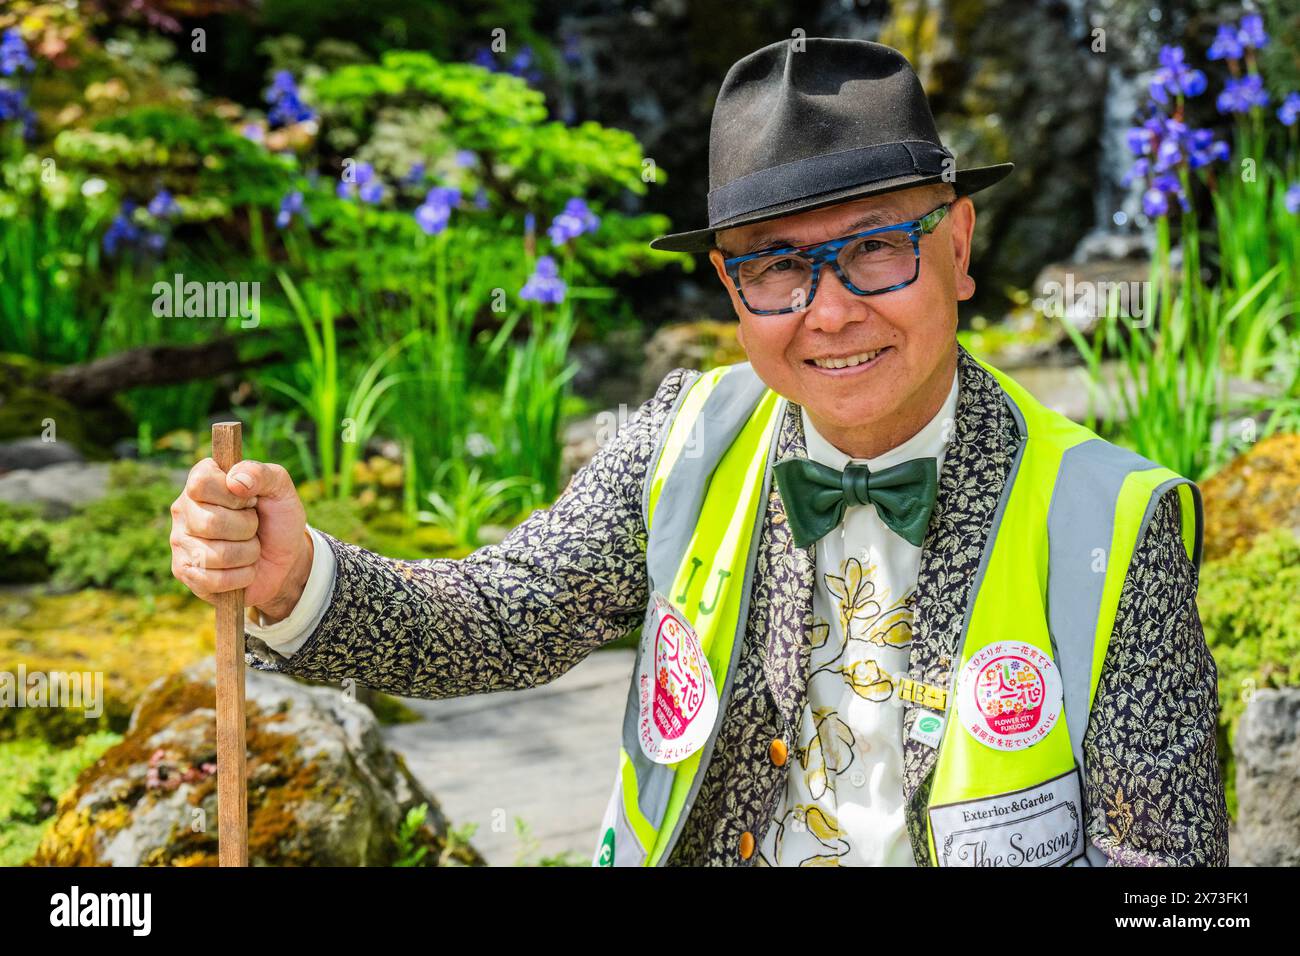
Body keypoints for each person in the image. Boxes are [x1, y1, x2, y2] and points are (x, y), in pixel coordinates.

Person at [169, 37, 1229, 867]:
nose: (828, 311)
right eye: (775, 267)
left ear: (955, 247)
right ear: (731, 293)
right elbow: (497, 621)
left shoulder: (1108, 520)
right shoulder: (680, 438)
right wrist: (295, 575)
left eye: (873, 246)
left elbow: (1165, 869)